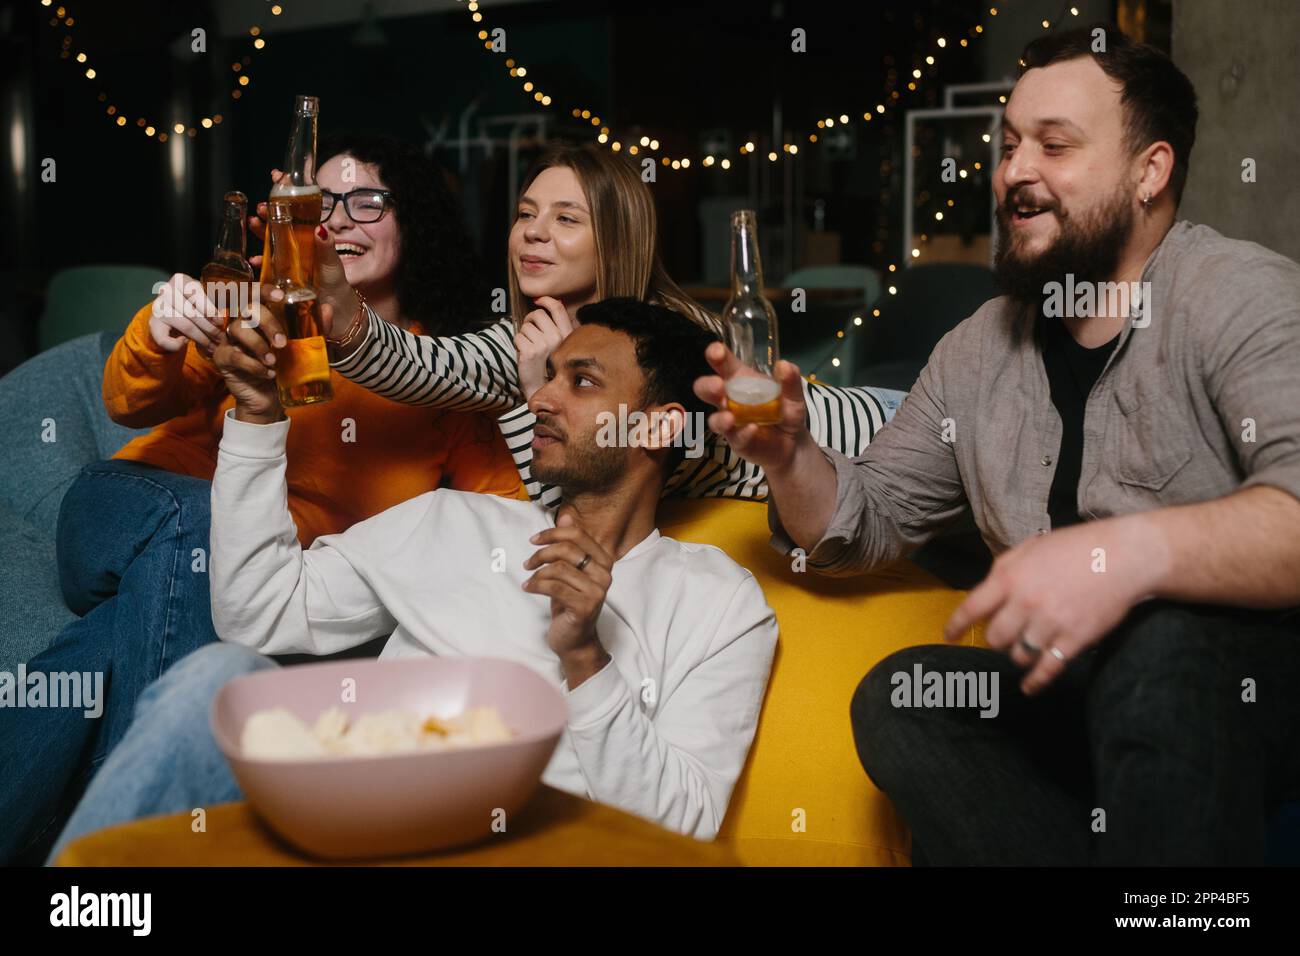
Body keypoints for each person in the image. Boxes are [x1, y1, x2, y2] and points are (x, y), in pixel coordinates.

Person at [696, 25, 1300, 865]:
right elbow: (863, 523)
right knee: (907, 694)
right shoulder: (981, 349)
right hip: (1072, 691)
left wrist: (1122, 559)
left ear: (1149, 172)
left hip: (1243, 688)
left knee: (1159, 643)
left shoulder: (1237, 295)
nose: (1016, 171)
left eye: (1055, 146)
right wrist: (791, 458)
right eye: (1010, 145)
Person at [47, 297, 779, 858]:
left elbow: (682, 827)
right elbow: (256, 612)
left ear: (656, 427)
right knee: (219, 674)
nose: (543, 398)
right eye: (547, 375)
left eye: (580, 381)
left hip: (533, 852)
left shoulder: (720, 601)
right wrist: (260, 418)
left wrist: (588, 660)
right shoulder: (453, 523)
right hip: (360, 827)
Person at [1, 134, 528, 865]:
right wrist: (156, 332)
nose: (340, 220)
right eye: (326, 202)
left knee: (117, 643)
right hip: (124, 511)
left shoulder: (443, 382)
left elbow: (502, 527)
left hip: (236, 585)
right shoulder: (260, 307)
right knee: (207, 527)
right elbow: (127, 401)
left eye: (367, 200)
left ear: (417, 224)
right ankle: (145, 850)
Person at [269, 140, 906, 509]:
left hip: (880, 432)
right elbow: (418, 365)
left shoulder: (669, 338)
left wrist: (528, 396)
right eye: (526, 214)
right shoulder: (517, 341)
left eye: (566, 219)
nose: (534, 233)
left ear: (615, 240)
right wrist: (334, 298)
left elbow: (602, 489)